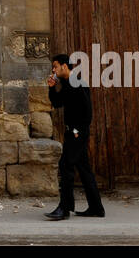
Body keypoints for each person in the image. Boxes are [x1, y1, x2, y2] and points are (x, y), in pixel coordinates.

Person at [45, 53, 105, 220]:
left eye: (55, 66)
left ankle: (64, 208)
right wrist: (52, 87)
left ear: (64, 66)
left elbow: (87, 111)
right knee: (84, 169)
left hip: (77, 132)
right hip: (73, 132)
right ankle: (96, 208)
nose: (54, 70)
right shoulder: (66, 83)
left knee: (65, 166)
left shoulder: (76, 82)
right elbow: (57, 104)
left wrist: (78, 131)